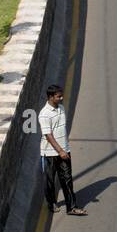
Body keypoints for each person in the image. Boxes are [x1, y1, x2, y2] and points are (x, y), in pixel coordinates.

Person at [39, 83, 86, 216]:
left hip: (64, 150)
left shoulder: (61, 108)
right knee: (49, 181)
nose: (61, 98)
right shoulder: (44, 114)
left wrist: (64, 149)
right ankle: (51, 202)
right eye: (58, 96)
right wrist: (60, 151)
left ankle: (72, 207)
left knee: (67, 179)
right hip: (49, 153)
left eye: (61, 96)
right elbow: (48, 135)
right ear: (50, 97)